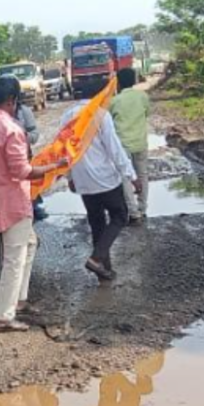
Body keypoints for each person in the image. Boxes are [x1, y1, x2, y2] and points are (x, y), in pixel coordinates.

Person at [0, 77, 69, 332]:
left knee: (29, 244)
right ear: (12, 101)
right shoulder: (11, 129)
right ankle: (2, 317)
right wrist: (55, 166)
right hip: (14, 202)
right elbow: (22, 171)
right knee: (14, 257)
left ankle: (19, 300)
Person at [62, 101, 140, 282]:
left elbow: (64, 149)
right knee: (120, 216)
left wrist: (70, 176)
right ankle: (96, 259)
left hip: (83, 180)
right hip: (105, 179)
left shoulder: (67, 116)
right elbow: (114, 148)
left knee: (97, 224)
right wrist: (131, 175)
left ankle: (104, 271)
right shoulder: (100, 114)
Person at [110, 68, 152, 225]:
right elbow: (147, 114)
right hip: (140, 142)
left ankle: (133, 213)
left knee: (126, 177)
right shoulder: (143, 97)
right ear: (134, 81)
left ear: (118, 83)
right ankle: (143, 208)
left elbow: (108, 121)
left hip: (122, 146)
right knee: (143, 175)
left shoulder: (114, 101)